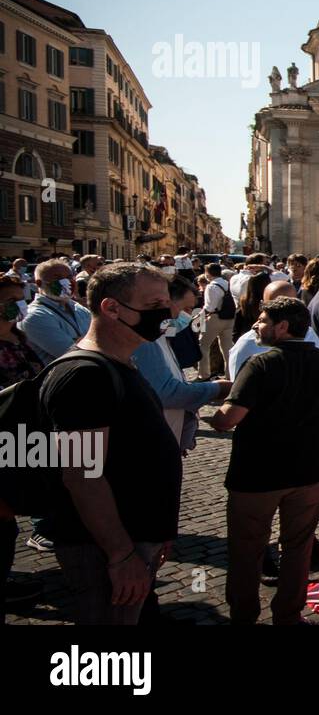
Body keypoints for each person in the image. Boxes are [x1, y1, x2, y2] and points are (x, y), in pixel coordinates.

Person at [38, 263, 181, 624]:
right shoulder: (83, 377)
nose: (165, 313)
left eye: (166, 302)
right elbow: (82, 475)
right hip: (103, 548)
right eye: (153, 305)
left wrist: (157, 531)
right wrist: (120, 554)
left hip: (136, 537)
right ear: (111, 308)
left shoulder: (121, 362)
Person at [210, 297, 319, 625]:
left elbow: (229, 419)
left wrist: (208, 408)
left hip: (258, 474)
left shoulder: (261, 364)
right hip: (308, 471)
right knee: (298, 548)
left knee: (247, 550)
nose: (256, 325)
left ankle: (244, 616)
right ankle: (289, 615)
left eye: (263, 320)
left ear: (282, 327)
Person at [132, 276, 231, 450]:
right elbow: (166, 392)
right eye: (187, 308)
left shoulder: (161, 335)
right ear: (165, 302)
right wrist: (218, 389)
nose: (187, 316)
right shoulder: (146, 340)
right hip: (151, 443)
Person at [0, 275, 46, 619]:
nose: (19, 305)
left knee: (9, 515)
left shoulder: (19, 337)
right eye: (11, 300)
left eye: (21, 298)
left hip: (22, 436)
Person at [18, 259, 93, 364]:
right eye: (57, 278)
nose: (66, 282)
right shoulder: (34, 316)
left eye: (69, 277)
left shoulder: (79, 308)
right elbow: (72, 353)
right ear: (39, 283)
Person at [199, 261, 236, 379]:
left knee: (203, 345)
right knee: (227, 348)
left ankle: (204, 374)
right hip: (230, 318)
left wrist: (198, 318)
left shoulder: (211, 286)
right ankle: (230, 374)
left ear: (208, 273)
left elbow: (210, 307)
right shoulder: (227, 283)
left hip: (215, 318)